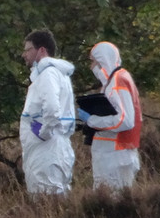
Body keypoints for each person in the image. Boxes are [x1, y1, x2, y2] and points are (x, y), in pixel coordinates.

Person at [77, 41, 142, 190]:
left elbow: (125, 121)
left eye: (93, 62)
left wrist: (92, 120)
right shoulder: (115, 80)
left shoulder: (118, 81)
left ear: (102, 60)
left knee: (114, 201)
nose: (91, 66)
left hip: (115, 156)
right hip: (113, 154)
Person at [19, 29, 77, 195]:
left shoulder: (48, 74)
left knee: (45, 197)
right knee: (56, 197)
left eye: (28, 49)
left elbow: (51, 109)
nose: (24, 54)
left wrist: (44, 133)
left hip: (47, 149)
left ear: (42, 50)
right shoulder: (59, 74)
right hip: (55, 146)